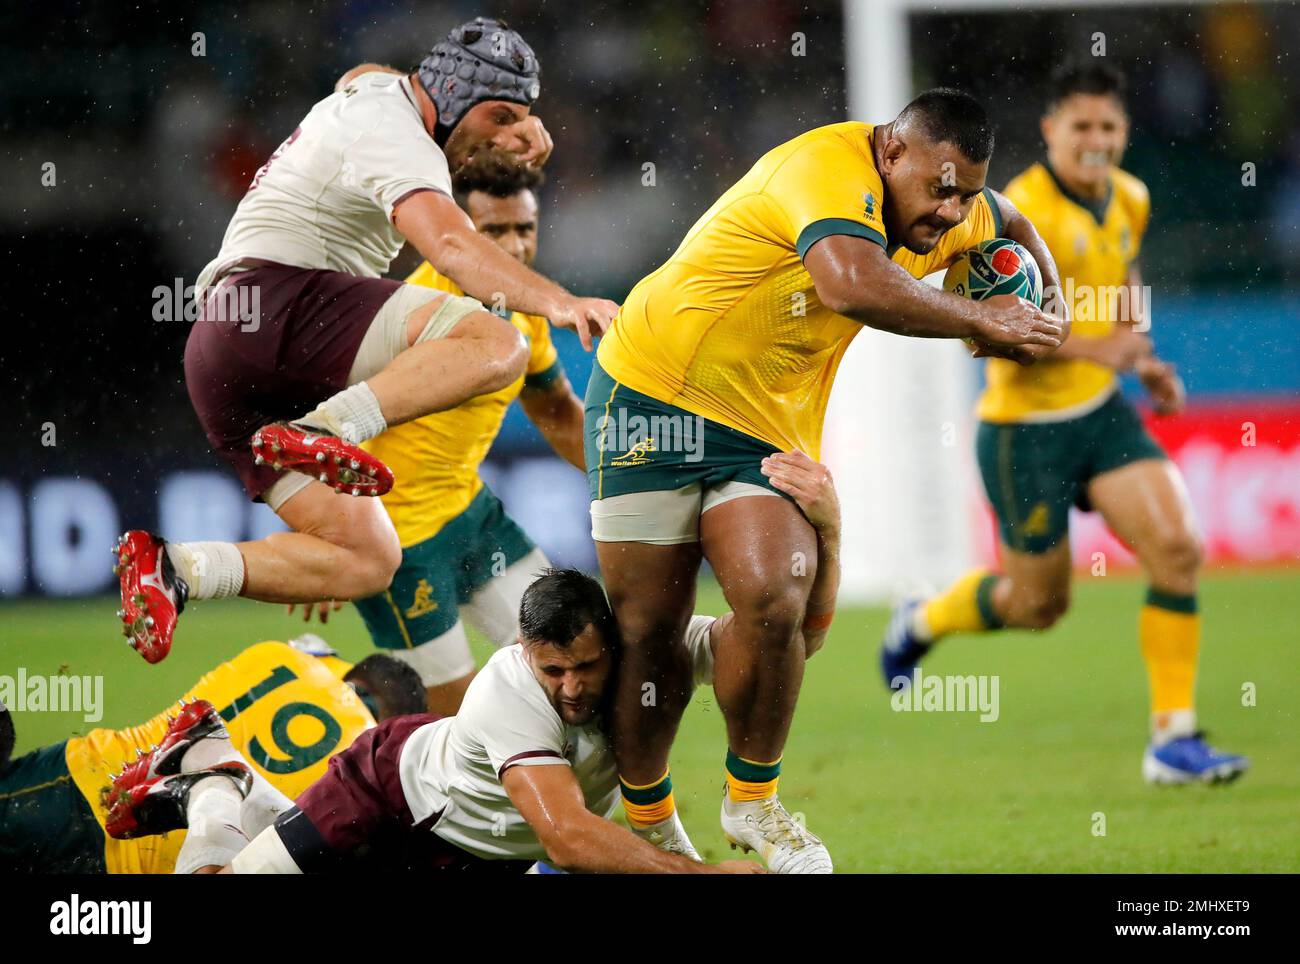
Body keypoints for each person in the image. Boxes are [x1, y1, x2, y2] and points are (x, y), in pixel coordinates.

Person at [584, 88, 1068, 872]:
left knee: (778, 594)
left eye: (965, 193)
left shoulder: (954, 203)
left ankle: (754, 800)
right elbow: (849, 282)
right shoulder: (822, 166)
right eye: (939, 189)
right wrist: (984, 320)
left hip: (763, 427)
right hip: (649, 392)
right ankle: (646, 816)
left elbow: (1018, 224)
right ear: (890, 152)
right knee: (646, 629)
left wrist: (1050, 300)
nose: (951, 212)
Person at [113, 17, 618, 665]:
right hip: (275, 304)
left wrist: (507, 124)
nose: (486, 151)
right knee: (498, 343)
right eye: (500, 120)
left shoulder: (375, 96)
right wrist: (560, 301)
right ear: (469, 101)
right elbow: (455, 246)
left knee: (366, 559)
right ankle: (328, 431)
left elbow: (363, 76)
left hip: (228, 366)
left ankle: (177, 569)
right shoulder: (400, 136)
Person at [107, 452, 840, 873]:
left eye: (585, 667)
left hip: (480, 859)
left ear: (612, 643)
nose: (572, 688)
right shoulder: (507, 690)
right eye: (554, 672)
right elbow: (566, 835)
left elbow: (787, 644)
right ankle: (215, 782)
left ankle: (254, 794)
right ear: (527, 653)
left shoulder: (649, 650)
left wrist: (827, 534)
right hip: (389, 798)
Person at [880, 64, 1247, 785]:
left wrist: (1139, 355)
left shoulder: (1130, 198)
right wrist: (1095, 344)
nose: (1095, 140)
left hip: (1100, 411)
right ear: (1050, 130)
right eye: (1080, 125)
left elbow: (1125, 275)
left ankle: (1172, 740)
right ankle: (923, 618)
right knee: (1038, 605)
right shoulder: (1010, 213)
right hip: (1024, 431)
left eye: (1108, 126)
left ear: (1124, 134)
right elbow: (982, 332)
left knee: (1178, 546)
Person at [346, 151, 584, 715]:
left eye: (524, 228)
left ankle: (572, 801)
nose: (514, 247)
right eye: (492, 231)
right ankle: (356, 712)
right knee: (452, 722)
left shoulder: (525, 313)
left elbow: (557, 413)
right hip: (400, 546)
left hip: (475, 520)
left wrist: (625, 477)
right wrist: (330, 536)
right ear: (457, 233)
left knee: (574, 661)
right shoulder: (406, 315)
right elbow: (327, 423)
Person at [0, 636, 424, 873]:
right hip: (135, 865)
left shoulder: (281, 655)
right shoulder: (359, 779)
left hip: (83, 779)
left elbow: (316, 650)